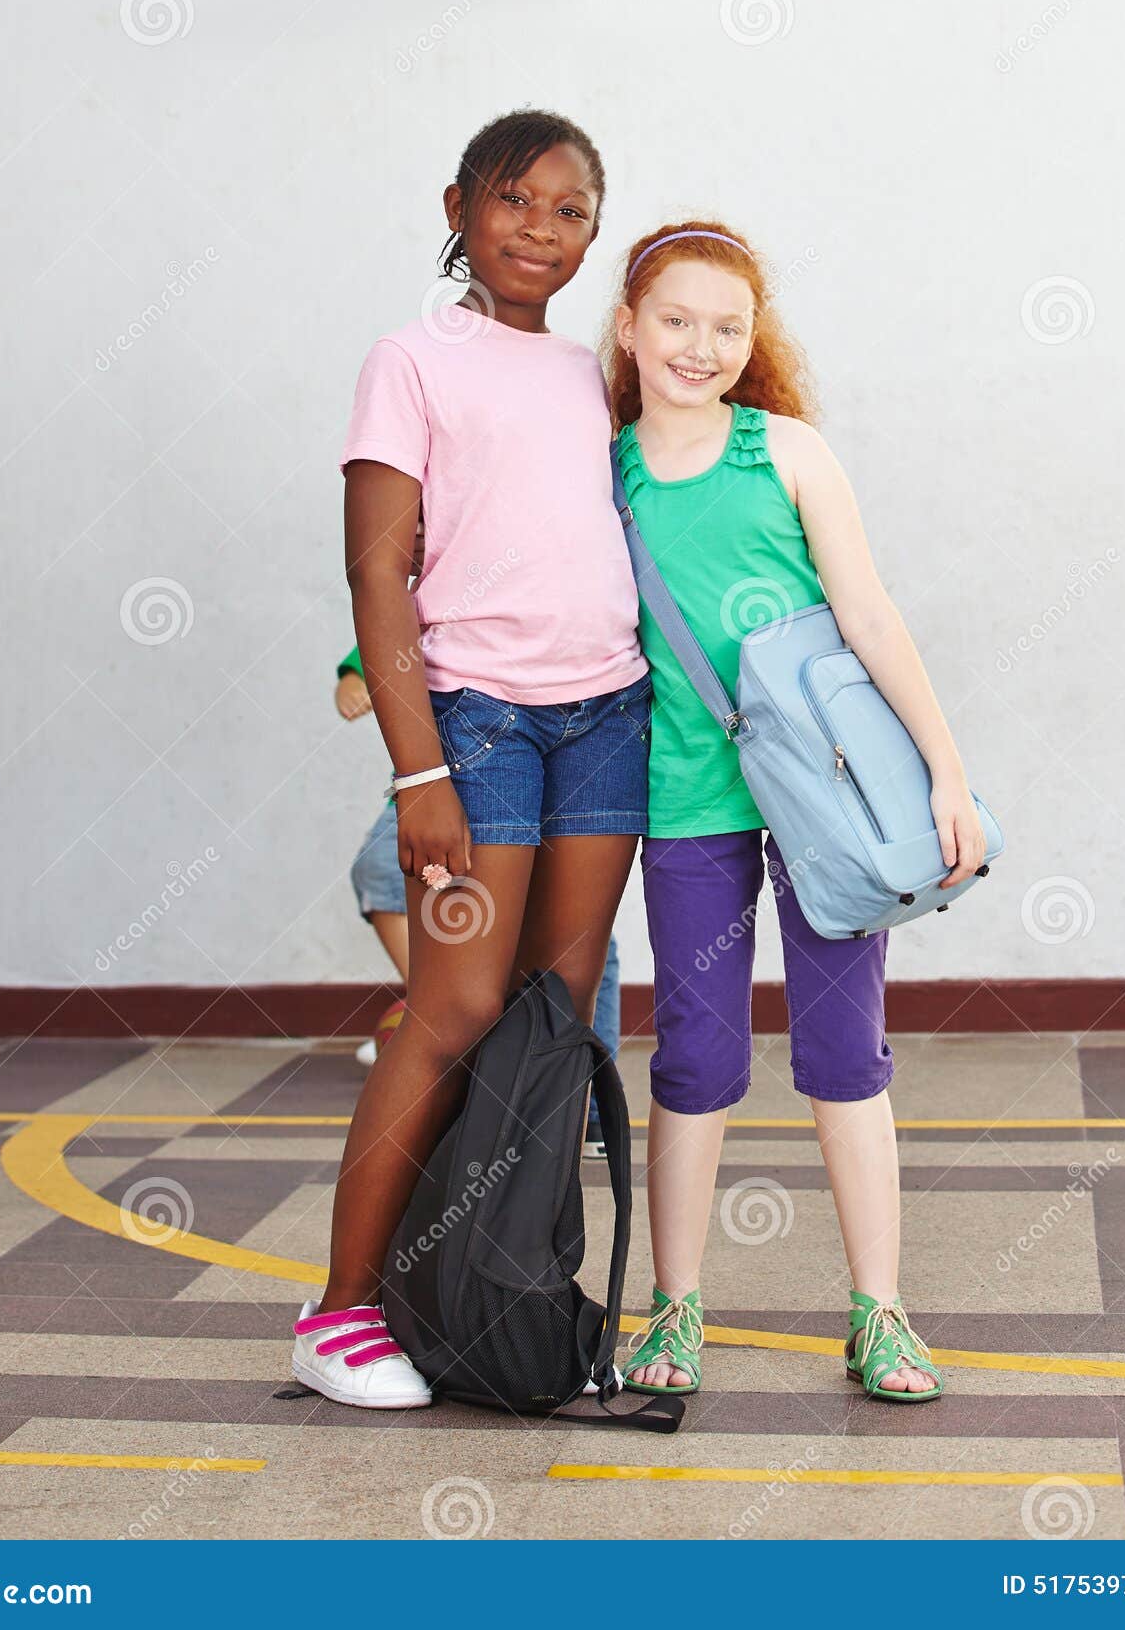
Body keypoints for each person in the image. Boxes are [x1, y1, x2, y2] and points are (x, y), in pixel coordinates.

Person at [291, 109, 651, 1409]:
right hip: (481, 724)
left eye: (570, 211)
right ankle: (339, 1311)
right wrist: (417, 770)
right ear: (458, 206)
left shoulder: (586, 373)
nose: (540, 230)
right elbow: (376, 571)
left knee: (556, 1018)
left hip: (610, 717)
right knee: (451, 1009)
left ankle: (495, 1284)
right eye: (515, 201)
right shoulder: (409, 359)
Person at [603, 222, 987, 1401]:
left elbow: (868, 618)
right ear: (627, 326)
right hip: (684, 801)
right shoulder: (599, 468)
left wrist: (944, 770)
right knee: (696, 1055)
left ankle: (879, 1311)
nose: (699, 346)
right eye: (675, 320)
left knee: (842, 1050)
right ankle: (674, 1311)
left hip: (825, 798)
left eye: (727, 327)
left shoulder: (788, 453)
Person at [336, 643, 622, 1127]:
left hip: (572, 739)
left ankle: (584, 1104)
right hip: (454, 772)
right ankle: (452, 1016)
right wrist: (354, 676)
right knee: (387, 871)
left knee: (575, 939)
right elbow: (394, 618)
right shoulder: (450, 596)